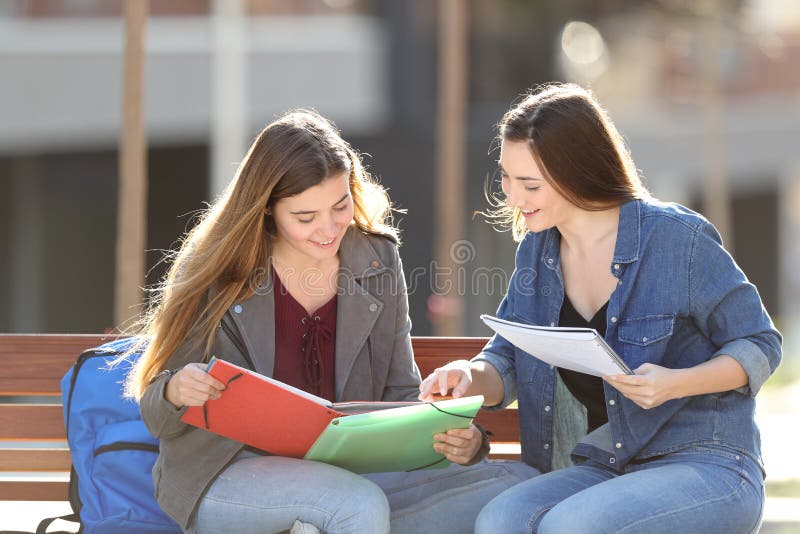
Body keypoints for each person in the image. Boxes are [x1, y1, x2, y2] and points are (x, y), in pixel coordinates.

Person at [127, 109, 535, 534]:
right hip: (231, 471)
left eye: (340, 206)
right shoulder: (216, 269)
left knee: (514, 487)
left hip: (349, 467)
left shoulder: (377, 261)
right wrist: (177, 389)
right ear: (266, 210)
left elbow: (398, 392)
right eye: (305, 218)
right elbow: (157, 413)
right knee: (355, 506)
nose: (328, 229)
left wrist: (459, 440)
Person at [419, 83, 782, 533]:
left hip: (707, 460)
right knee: (500, 520)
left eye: (529, 185)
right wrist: (467, 378)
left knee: (573, 526)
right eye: (506, 179)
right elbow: (507, 357)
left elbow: (760, 343)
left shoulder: (675, 239)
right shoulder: (538, 251)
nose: (512, 198)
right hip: (608, 460)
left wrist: (676, 384)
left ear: (578, 172)